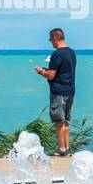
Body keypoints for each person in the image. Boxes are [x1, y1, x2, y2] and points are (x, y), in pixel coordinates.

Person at [33, 27, 76, 156]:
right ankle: (66, 148)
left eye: (50, 39)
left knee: (58, 121)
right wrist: (47, 69)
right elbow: (62, 71)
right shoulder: (71, 52)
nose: (50, 42)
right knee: (66, 121)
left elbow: (51, 75)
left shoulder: (57, 54)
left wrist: (41, 71)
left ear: (54, 38)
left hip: (59, 91)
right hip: (70, 90)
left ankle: (62, 149)